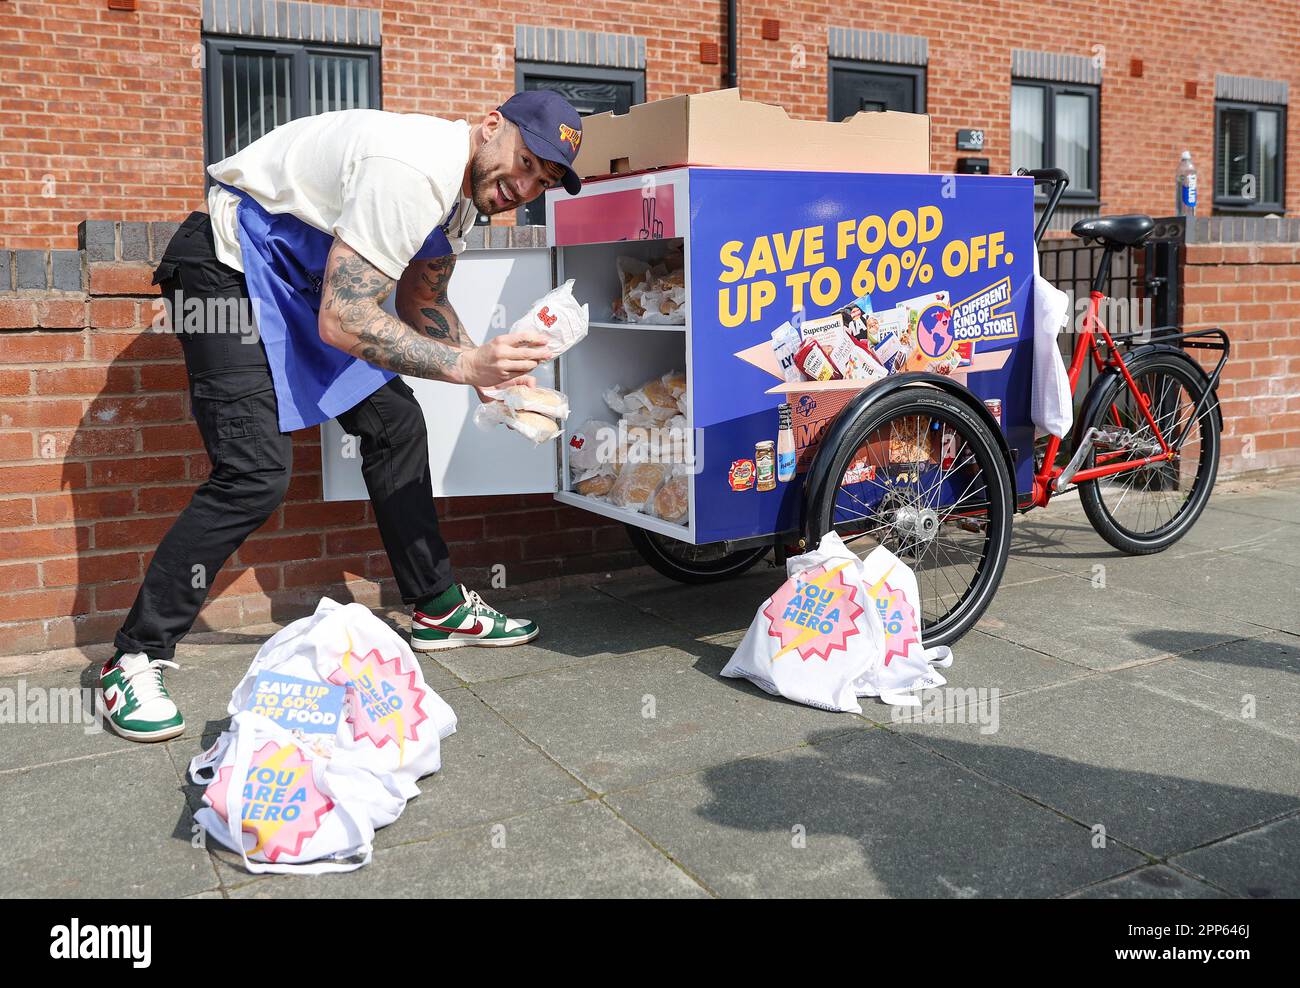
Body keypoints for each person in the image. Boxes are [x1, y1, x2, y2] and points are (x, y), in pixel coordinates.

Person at [99, 91, 585, 742]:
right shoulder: (414, 170)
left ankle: (437, 604)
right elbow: (346, 318)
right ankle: (134, 655)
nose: (523, 187)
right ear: (490, 126)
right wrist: (466, 367)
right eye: (525, 162)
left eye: (542, 183)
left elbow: (422, 296)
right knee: (254, 472)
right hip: (227, 272)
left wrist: (485, 375)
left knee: (395, 424)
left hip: (304, 287)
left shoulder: (463, 198)